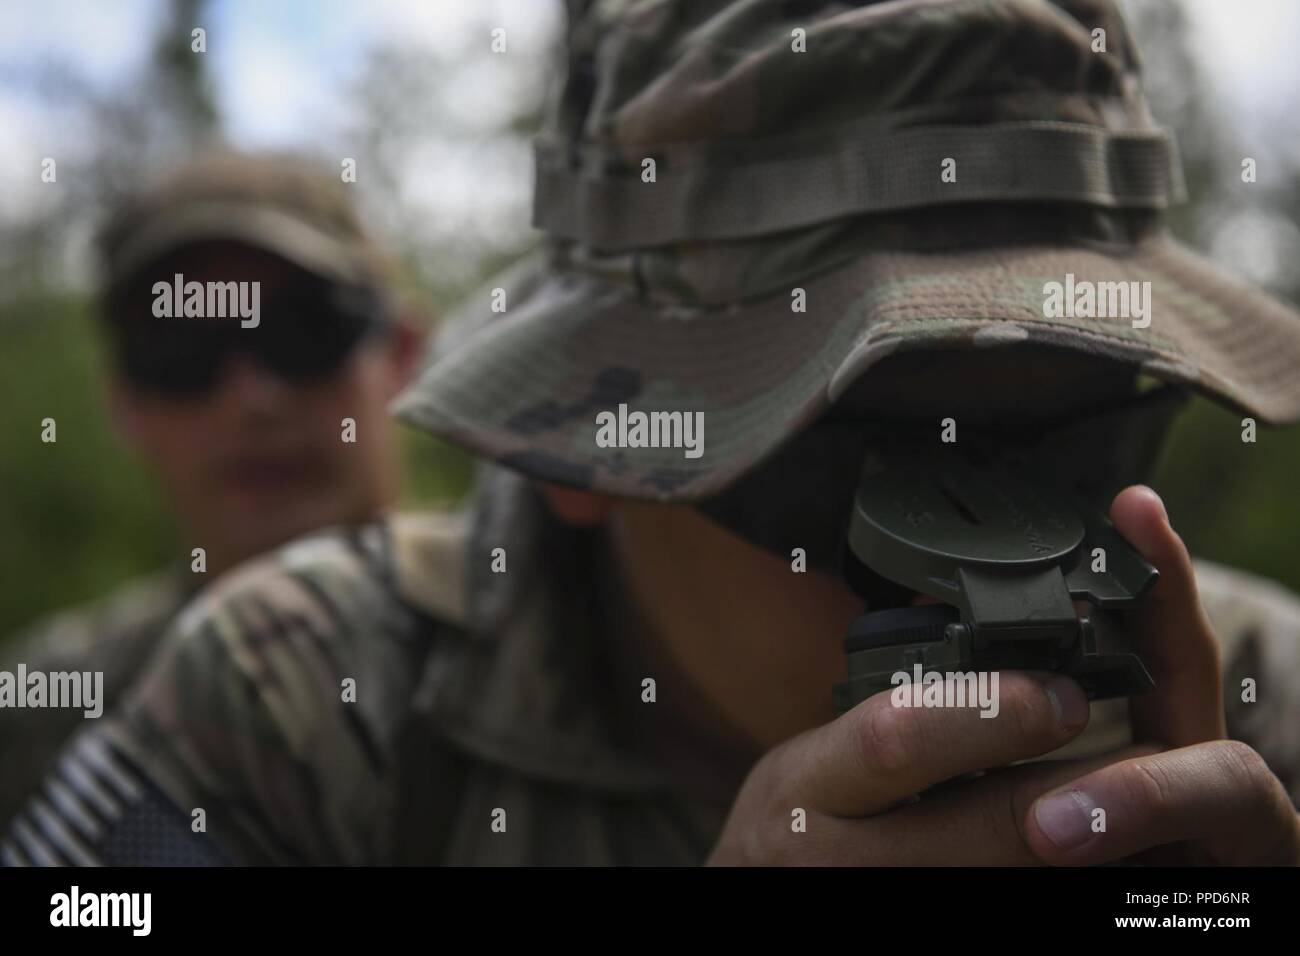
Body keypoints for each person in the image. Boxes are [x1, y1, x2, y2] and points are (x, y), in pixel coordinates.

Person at [5, 0, 1300, 866]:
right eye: (883, 472)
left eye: (1083, 441)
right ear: (587, 454)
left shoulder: (1259, 706)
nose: (1019, 577)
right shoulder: (301, 708)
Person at [0, 151, 422, 828]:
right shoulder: (39, 710)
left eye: (304, 332)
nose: (251, 399)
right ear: (125, 403)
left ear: (402, 352)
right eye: (182, 350)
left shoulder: (562, 635)